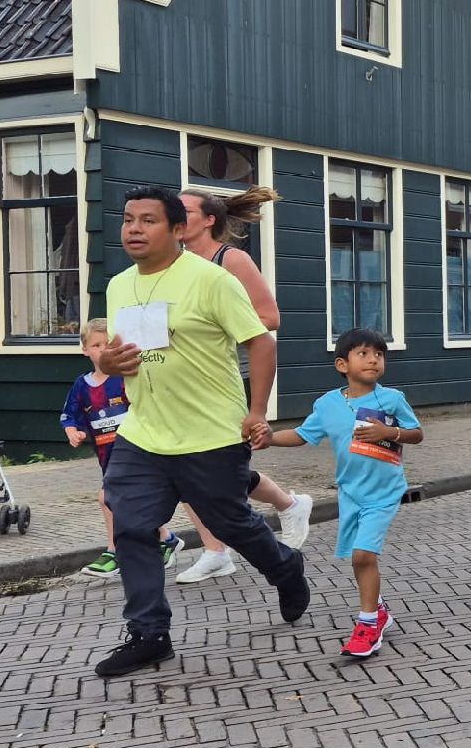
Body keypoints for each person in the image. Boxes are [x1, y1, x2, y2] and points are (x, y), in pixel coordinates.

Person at [92, 185, 310, 677]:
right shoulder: (120, 285)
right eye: (128, 220)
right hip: (144, 432)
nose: (134, 229)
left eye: (148, 220)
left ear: (176, 229)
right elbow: (117, 353)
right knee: (130, 525)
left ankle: (284, 567)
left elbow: (261, 341)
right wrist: (107, 360)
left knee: (231, 522)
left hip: (210, 434)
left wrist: (258, 411)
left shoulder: (210, 280)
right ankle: (149, 633)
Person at [176, 187, 314, 584]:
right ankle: (225, 544)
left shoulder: (230, 259)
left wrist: (214, 323)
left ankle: (282, 509)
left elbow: (270, 318)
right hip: (185, 381)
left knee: (209, 473)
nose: (177, 217)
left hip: (225, 378)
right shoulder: (174, 263)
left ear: (209, 220)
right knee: (186, 471)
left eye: (184, 211)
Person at [262, 328, 422, 658]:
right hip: (350, 492)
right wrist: (270, 438)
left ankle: (368, 625)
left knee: (364, 555)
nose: (373, 359)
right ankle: (377, 610)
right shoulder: (328, 404)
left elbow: (416, 433)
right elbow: (303, 434)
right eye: (363, 354)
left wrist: (389, 431)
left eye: (379, 354)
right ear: (341, 364)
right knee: (356, 557)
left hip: (385, 491)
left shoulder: (392, 398)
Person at [62, 320, 183, 578]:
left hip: (136, 451)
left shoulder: (126, 379)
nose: (103, 349)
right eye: (96, 345)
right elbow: (70, 415)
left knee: (108, 497)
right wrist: (73, 432)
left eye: (108, 343)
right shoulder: (81, 386)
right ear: (85, 350)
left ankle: (114, 552)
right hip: (106, 456)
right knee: (134, 503)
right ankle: (166, 538)